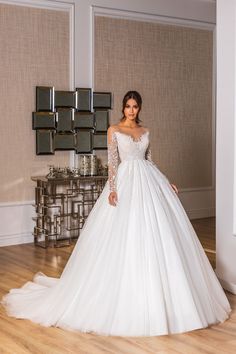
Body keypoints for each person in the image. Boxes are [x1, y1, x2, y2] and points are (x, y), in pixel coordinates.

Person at [1, 90, 232, 337]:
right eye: (128, 106)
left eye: (135, 106)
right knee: (123, 233)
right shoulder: (114, 130)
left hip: (149, 180)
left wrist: (166, 183)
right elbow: (113, 162)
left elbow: (150, 161)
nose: (131, 110)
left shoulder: (145, 132)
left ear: (139, 108)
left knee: (157, 234)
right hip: (125, 182)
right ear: (123, 108)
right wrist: (112, 189)